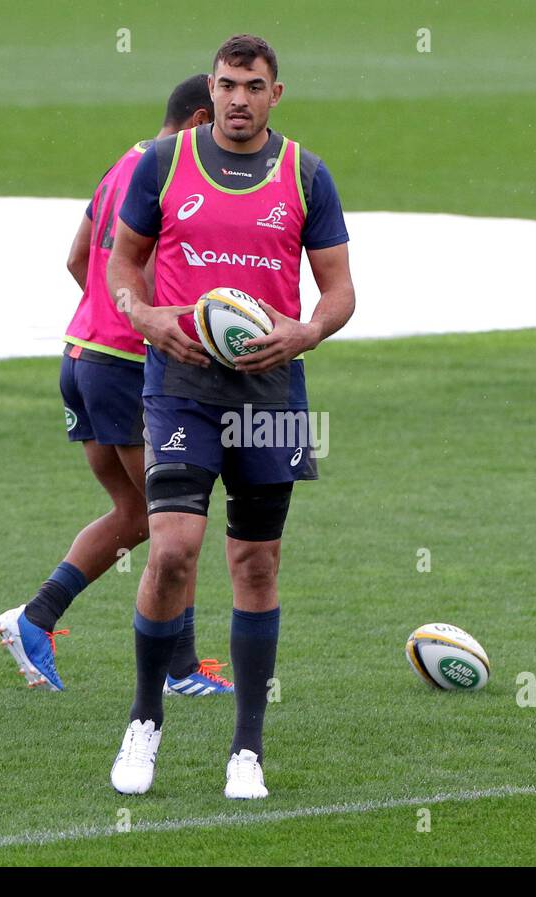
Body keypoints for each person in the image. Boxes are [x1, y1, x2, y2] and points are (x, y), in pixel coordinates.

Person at [104, 34, 355, 798]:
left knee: (255, 564)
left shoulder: (306, 174)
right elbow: (120, 264)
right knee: (173, 548)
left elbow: (341, 290)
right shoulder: (162, 164)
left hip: (274, 395)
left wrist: (307, 329)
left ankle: (246, 747)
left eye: (253, 85)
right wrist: (144, 316)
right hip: (180, 388)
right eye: (226, 85)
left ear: (276, 93)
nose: (238, 98)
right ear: (208, 91)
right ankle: (145, 719)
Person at [0, 75, 229, 696]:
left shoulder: (120, 164)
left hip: (82, 356)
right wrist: (154, 331)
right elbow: (151, 267)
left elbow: (78, 258)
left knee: (135, 514)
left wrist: (106, 314)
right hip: (126, 367)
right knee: (181, 511)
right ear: (201, 117)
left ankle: (35, 618)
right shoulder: (168, 171)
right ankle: (181, 669)